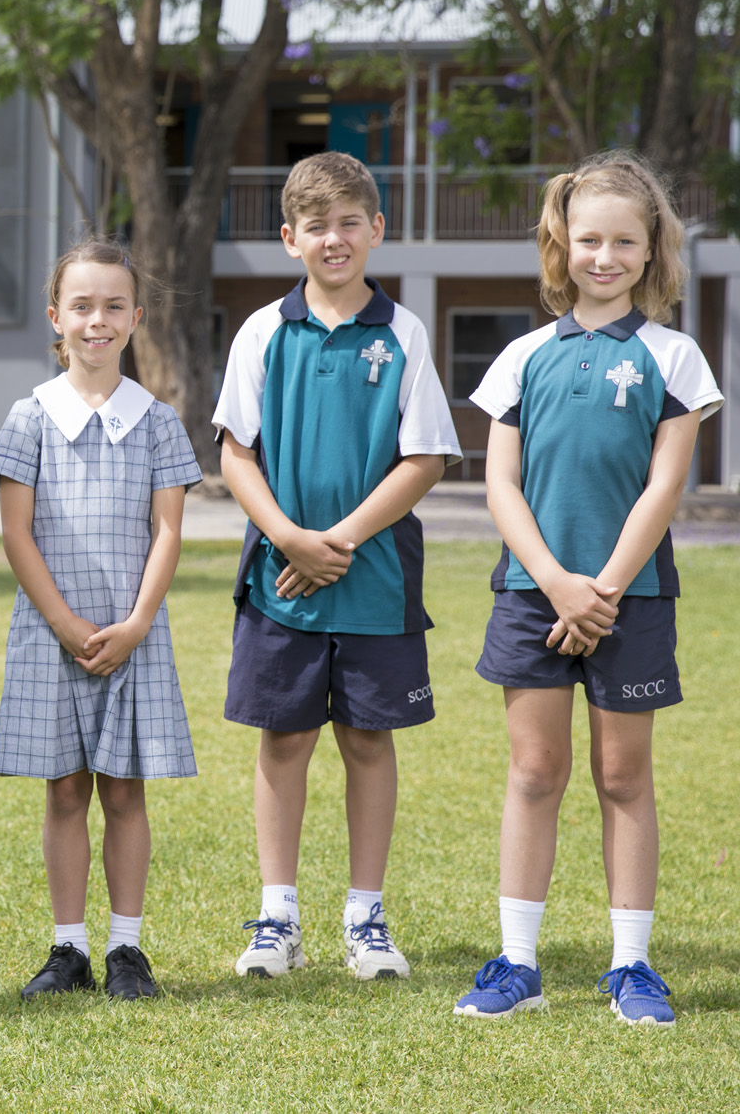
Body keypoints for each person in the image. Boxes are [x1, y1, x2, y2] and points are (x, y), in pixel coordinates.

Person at [454, 152, 719, 1026]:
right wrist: (557, 583)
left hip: (629, 598)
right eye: (588, 238)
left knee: (622, 774)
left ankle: (632, 965)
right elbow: (501, 487)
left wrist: (599, 588)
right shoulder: (521, 357)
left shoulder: (674, 358)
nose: (604, 255)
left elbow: (663, 488)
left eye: (624, 241)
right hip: (533, 593)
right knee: (534, 771)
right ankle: (517, 961)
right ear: (561, 243)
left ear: (652, 252)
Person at [212, 151, 461, 982]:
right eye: (317, 225)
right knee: (283, 739)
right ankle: (277, 915)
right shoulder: (262, 331)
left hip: (374, 576)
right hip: (278, 577)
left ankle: (366, 916)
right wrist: (289, 536)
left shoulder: (403, 333)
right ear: (289, 238)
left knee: (366, 737)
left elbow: (424, 456)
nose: (335, 238)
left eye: (350, 221)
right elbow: (235, 453)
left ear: (377, 230)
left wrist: (338, 540)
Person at [0, 239, 204, 1002]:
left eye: (114, 305)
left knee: (125, 790)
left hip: (133, 633)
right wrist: (68, 622)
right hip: (54, 631)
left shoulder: (158, 420)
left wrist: (138, 619)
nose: (98, 319)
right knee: (65, 789)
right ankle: (68, 945)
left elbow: (168, 529)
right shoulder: (29, 415)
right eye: (82, 305)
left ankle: (127, 949)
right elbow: (17, 531)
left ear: (136, 318)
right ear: (56, 317)